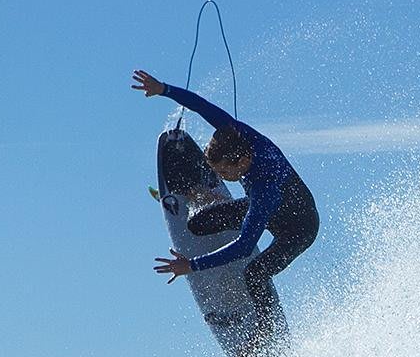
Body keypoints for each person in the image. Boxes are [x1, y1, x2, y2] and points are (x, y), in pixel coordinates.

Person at [132, 69, 320, 322]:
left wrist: (192, 265)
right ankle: (207, 199)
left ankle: (265, 331)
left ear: (243, 161)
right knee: (197, 224)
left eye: (223, 172)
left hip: (298, 230)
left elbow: (244, 246)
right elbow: (201, 105)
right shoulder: (235, 132)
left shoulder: (266, 187)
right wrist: (164, 89)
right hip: (258, 205)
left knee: (255, 274)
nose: (220, 175)